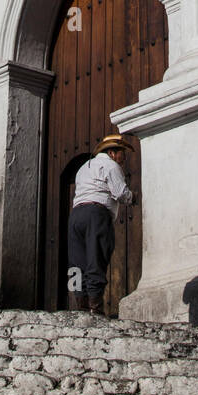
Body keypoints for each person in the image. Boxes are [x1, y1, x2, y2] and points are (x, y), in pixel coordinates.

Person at [67, 134, 134, 315]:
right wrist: (132, 197)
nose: (124, 158)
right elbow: (120, 193)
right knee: (96, 259)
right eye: (122, 153)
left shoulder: (83, 168)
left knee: (76, 262)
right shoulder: (111, 166)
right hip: (96, 214)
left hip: (76, 216)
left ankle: (79, 305)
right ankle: (95, 309)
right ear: (112, 152)